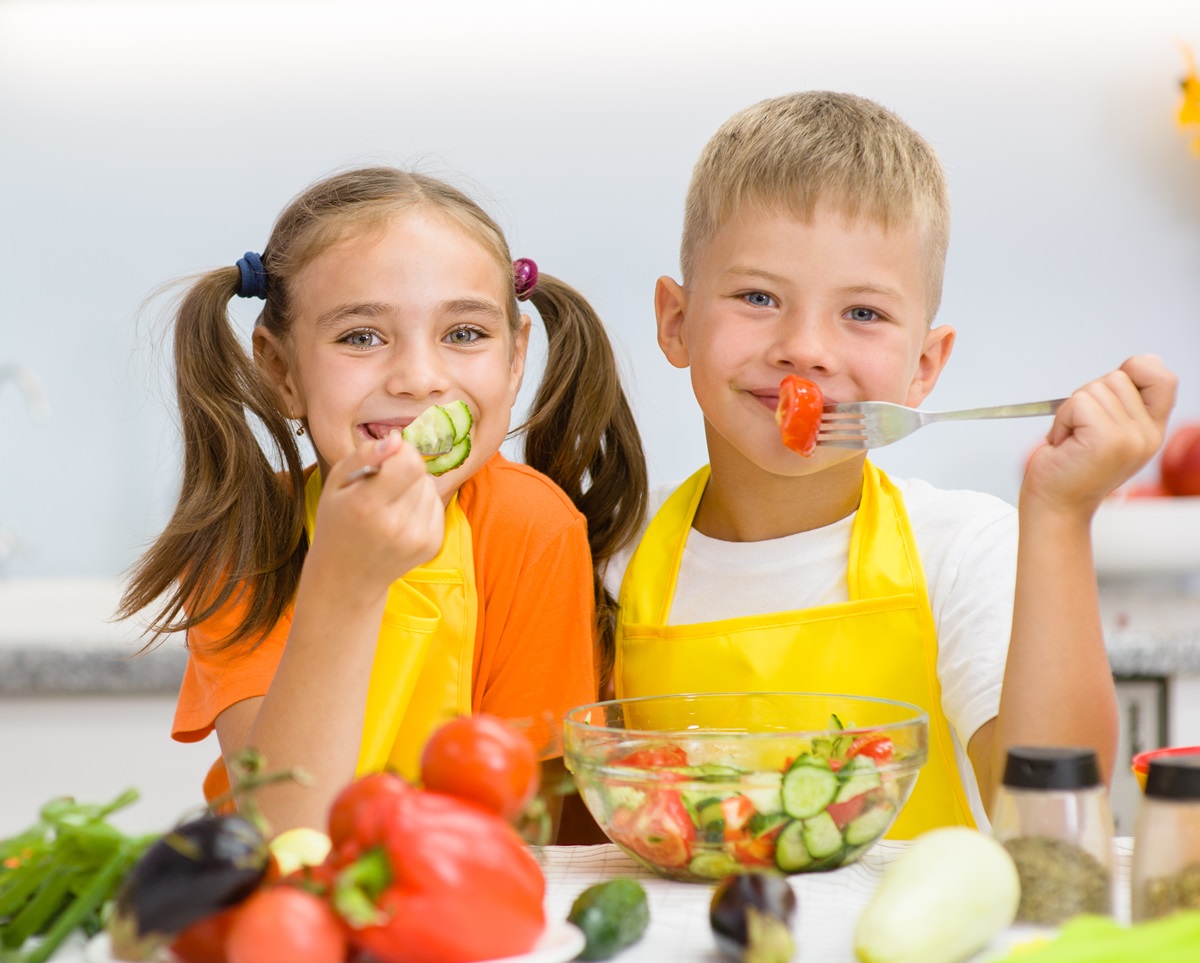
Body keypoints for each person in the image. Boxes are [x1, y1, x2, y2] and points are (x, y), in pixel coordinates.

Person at [606, 91, 1176, 833]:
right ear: (677, 323)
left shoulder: (964, 548)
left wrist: (1061, 516)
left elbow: (1052, 813)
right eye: (757, 296)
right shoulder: (615, 552)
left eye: (863, 313)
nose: (806, 348)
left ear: (924, 365)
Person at [119, 166, 646, 834]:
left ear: (515, 363)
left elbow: (530, 818)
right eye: (361, 336)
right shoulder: (244, 538)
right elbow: (280, 828)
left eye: (464, 333)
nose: (420, 379)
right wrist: (345, 580)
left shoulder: (532, 528)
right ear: (282, 370)